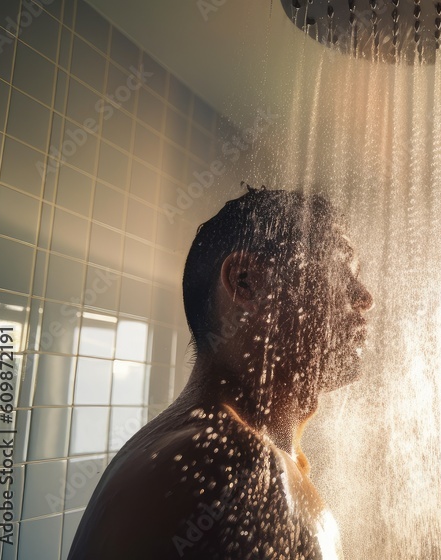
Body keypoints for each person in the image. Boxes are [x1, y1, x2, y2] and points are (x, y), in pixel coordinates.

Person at [68, 186, 373, 560]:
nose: (365, 296)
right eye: (340, 268)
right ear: (246, 282)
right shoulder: (234, 465)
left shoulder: (201, 447)